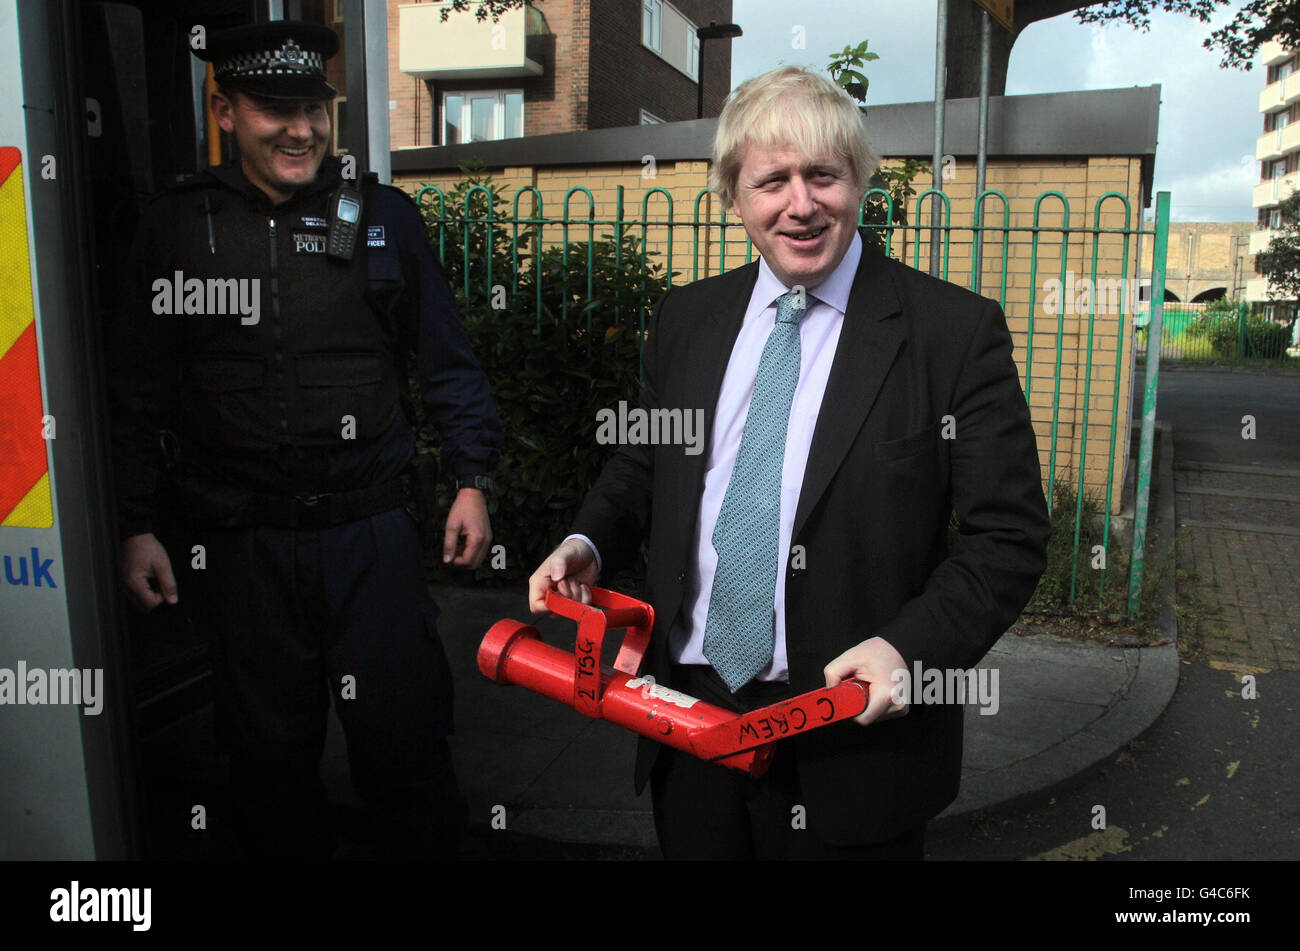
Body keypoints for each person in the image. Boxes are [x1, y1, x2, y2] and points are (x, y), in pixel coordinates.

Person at [528, 66, 1051, 860]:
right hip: (688, 719)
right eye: (772, 180)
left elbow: (1007, 538)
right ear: (734, 198)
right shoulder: (687, 319)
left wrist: (908, 648)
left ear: (859, 182)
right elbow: (645, 461)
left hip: (850, 740)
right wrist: (587, 541)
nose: (800, 204)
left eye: (823, 176)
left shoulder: (954, 334)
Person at [108, 21, 501, 859]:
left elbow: (448, 363)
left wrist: (472, 479)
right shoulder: (176, 228)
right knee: (266, 766)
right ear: (224, 108)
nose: (302, 129)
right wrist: (134, 521)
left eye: (315, 109)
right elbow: (137, 389)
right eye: (275, 109)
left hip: (372, 541)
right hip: (244, 546)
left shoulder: (384, 218)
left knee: (406, 751)